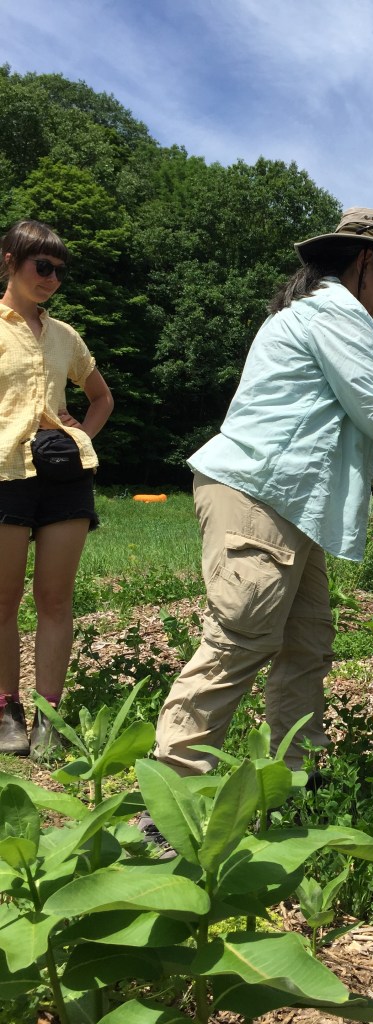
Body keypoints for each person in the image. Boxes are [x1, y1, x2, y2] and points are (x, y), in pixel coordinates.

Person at [152, 207, 373, 787]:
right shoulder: (336, 314)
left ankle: (297, 778)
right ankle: (171, 794)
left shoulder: (320, 317)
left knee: (305, 642)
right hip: (259, 496)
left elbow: (333, 437)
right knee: (241, 637)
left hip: (290, 504)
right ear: (364, 261)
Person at [0, 220, 114, 759]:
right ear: (10, 260)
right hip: (4, 475)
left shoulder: (66, 335)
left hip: (65, 480)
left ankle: (47, 714)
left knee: (55, 599)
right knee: (2, 601)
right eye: (41, 266)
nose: (51, 278)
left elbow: (101, 398)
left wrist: (79, 437)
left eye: (59, 270)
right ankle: (6, 710)